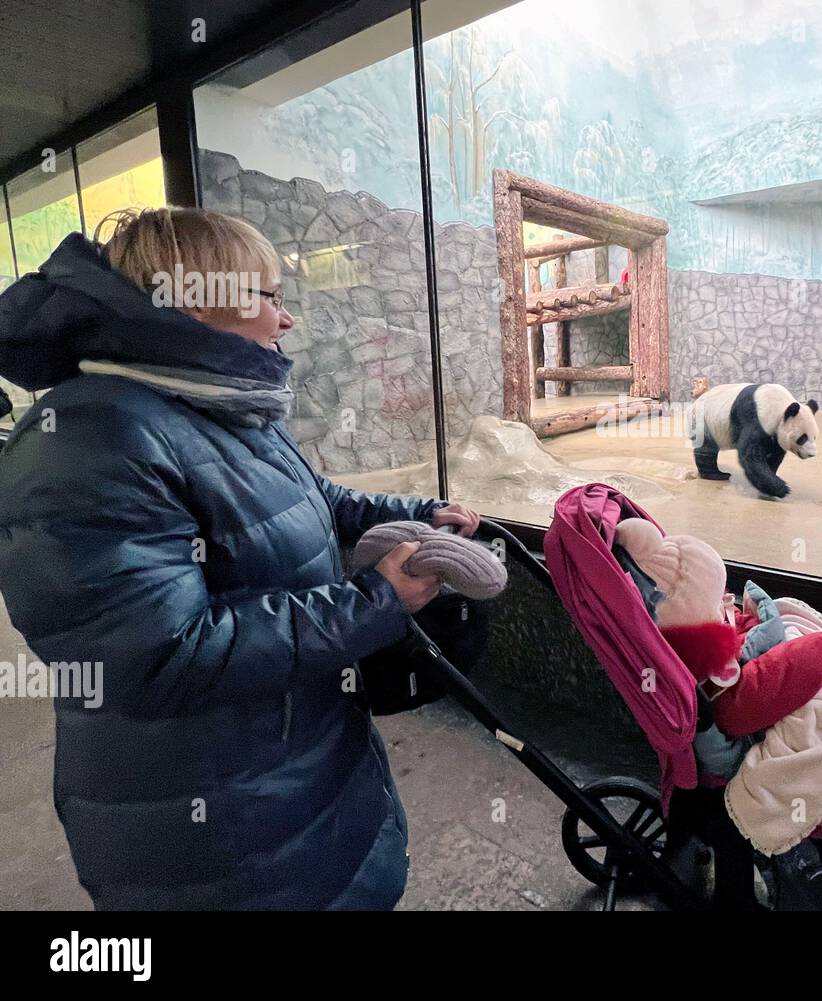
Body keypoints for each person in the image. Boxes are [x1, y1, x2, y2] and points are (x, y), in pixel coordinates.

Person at [0, 207, 479, 910]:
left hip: (298, 770)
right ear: (194, 299)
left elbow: (310, 497)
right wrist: (374, 600)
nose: (286, 321)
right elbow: (161, 656)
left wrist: (417, 513)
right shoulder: (91, 442)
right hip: (218, 830)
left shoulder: (211, 403)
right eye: (268, 297)